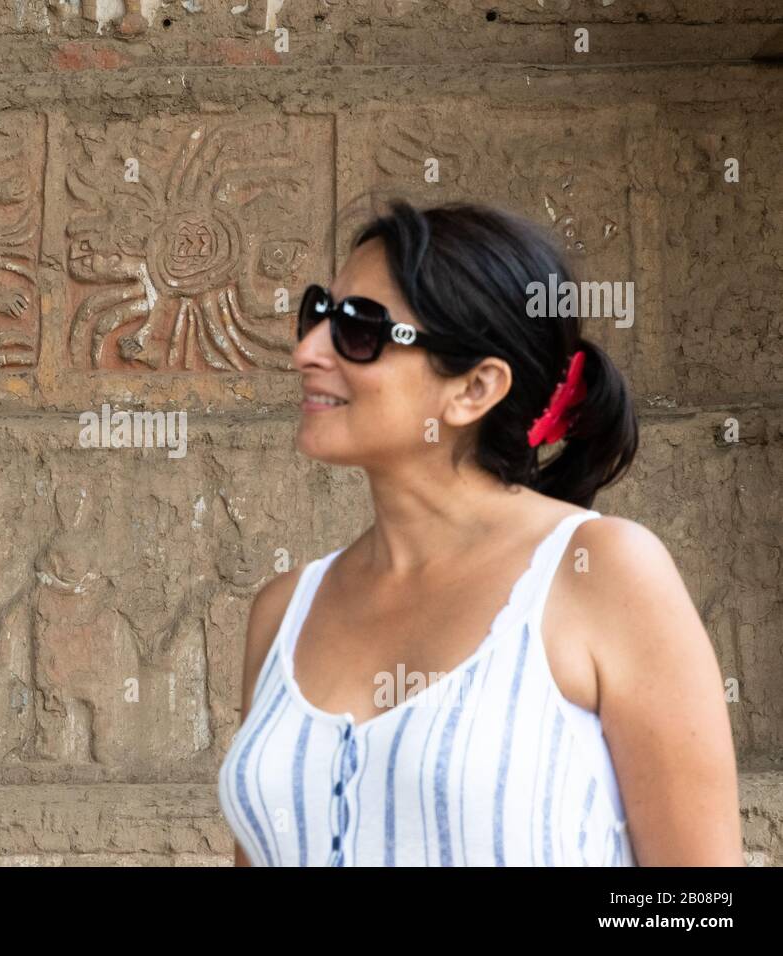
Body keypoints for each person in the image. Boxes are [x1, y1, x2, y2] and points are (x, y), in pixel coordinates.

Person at [217, 199, 742, 866]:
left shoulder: (600, 570)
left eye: (358, 328)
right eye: (317, 312)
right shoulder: (282, 612)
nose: (305, 352)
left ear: (474, 388)